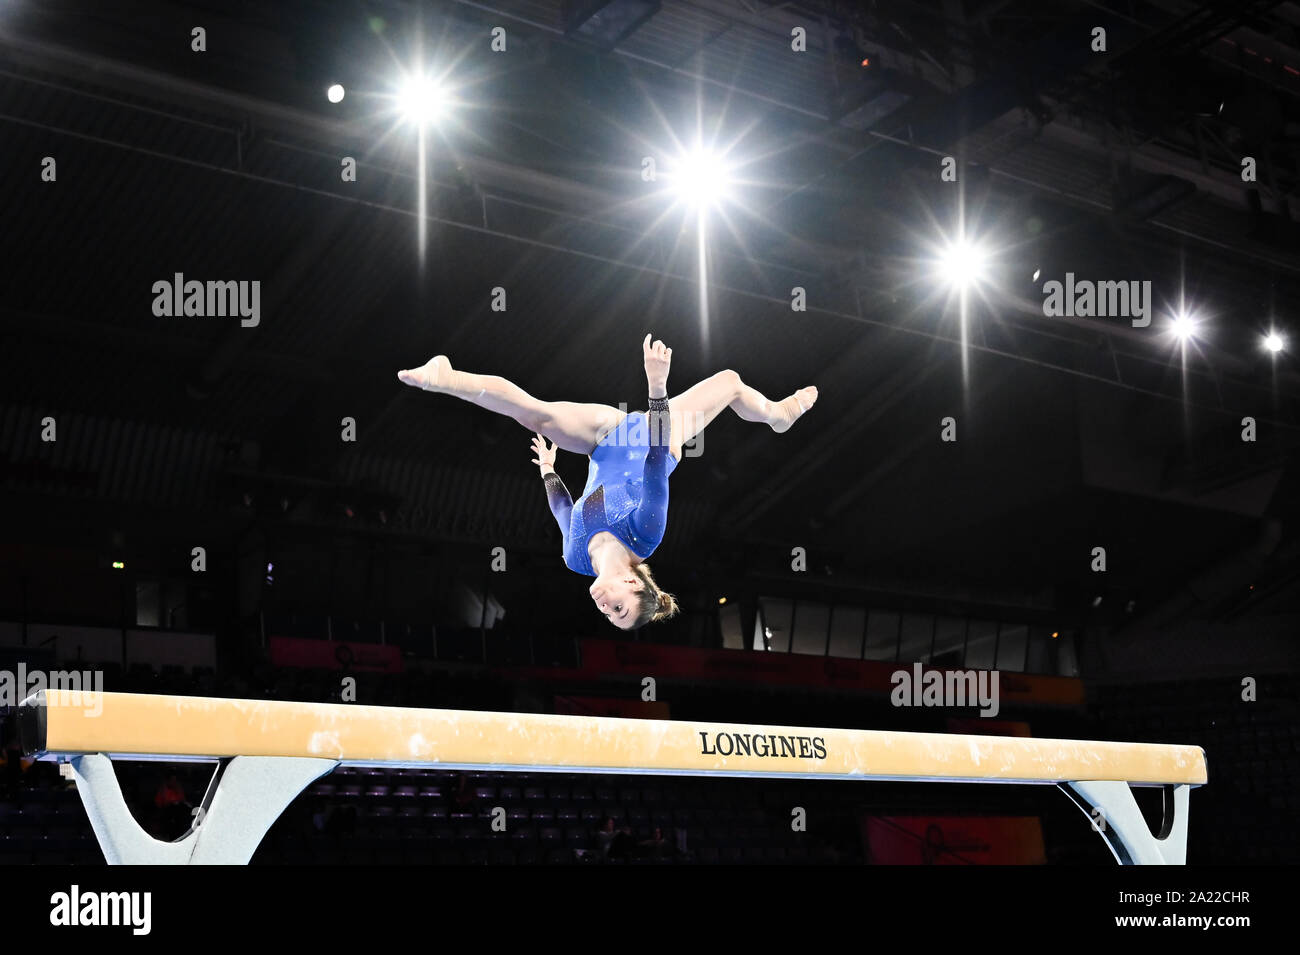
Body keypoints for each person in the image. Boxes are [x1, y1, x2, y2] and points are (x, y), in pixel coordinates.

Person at [398, 335, 817, 629]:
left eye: (609, 616)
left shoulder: (576, 559)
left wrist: (548, 470)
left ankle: (446, 379)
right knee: (728, 381)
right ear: (633, 584)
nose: (605, 608)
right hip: (654, 437)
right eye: (619, 608)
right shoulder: (644, 534)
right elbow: (654, 459)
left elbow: (565, 511)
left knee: (536, 414)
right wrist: (657, 387)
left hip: (603, 441)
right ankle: (778, 416)